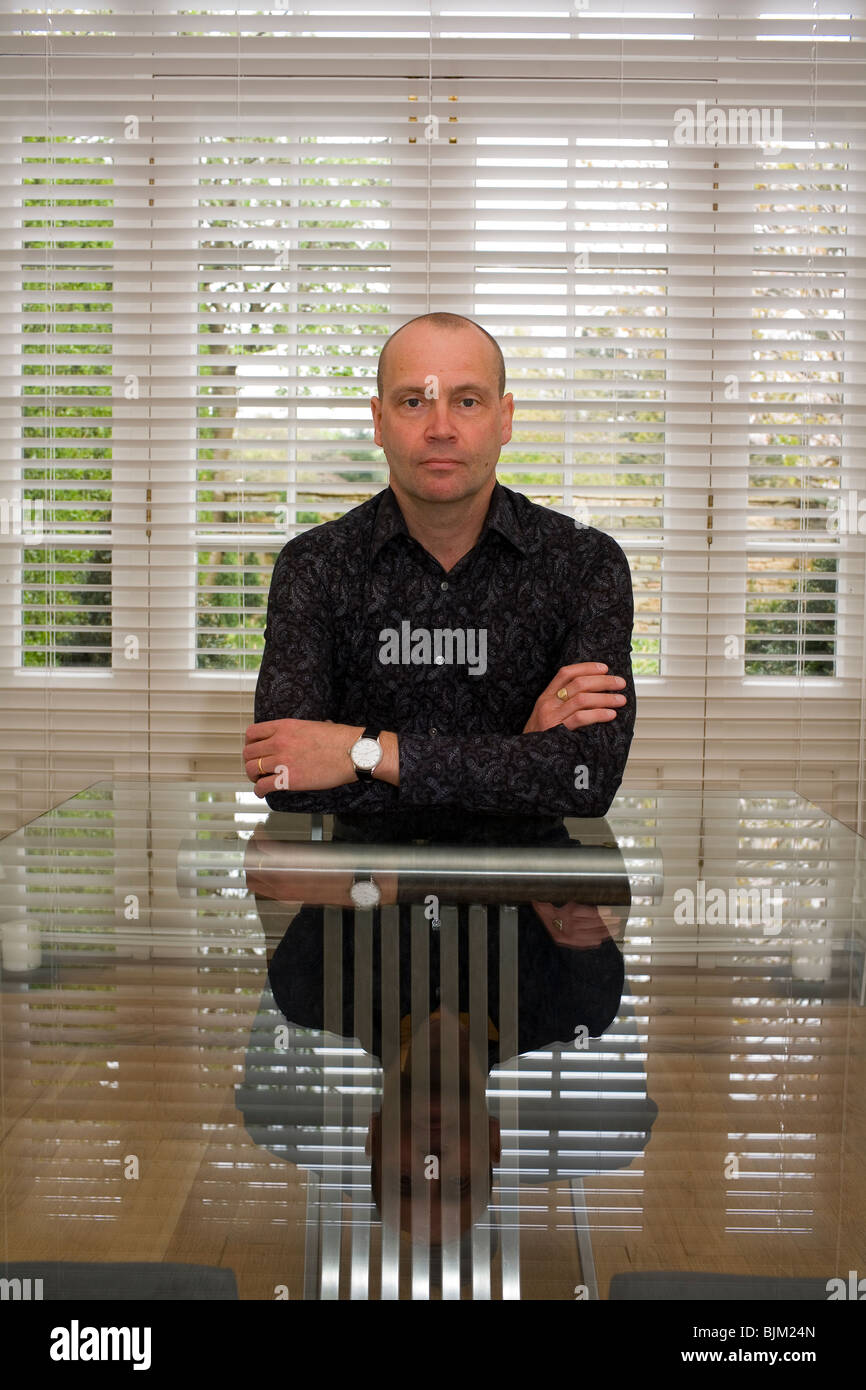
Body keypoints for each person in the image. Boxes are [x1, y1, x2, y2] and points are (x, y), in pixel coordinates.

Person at [243, 312, 635, 817]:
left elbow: (586, 781)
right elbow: (287, 778)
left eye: (467, 401)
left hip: (533, 890)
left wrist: (364, 753)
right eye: (413, 402)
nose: (441, 429)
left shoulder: (586, 564)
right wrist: (521, 751)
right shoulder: (315, 566)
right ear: (379, 422)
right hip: (357, 888)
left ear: (505, 418)